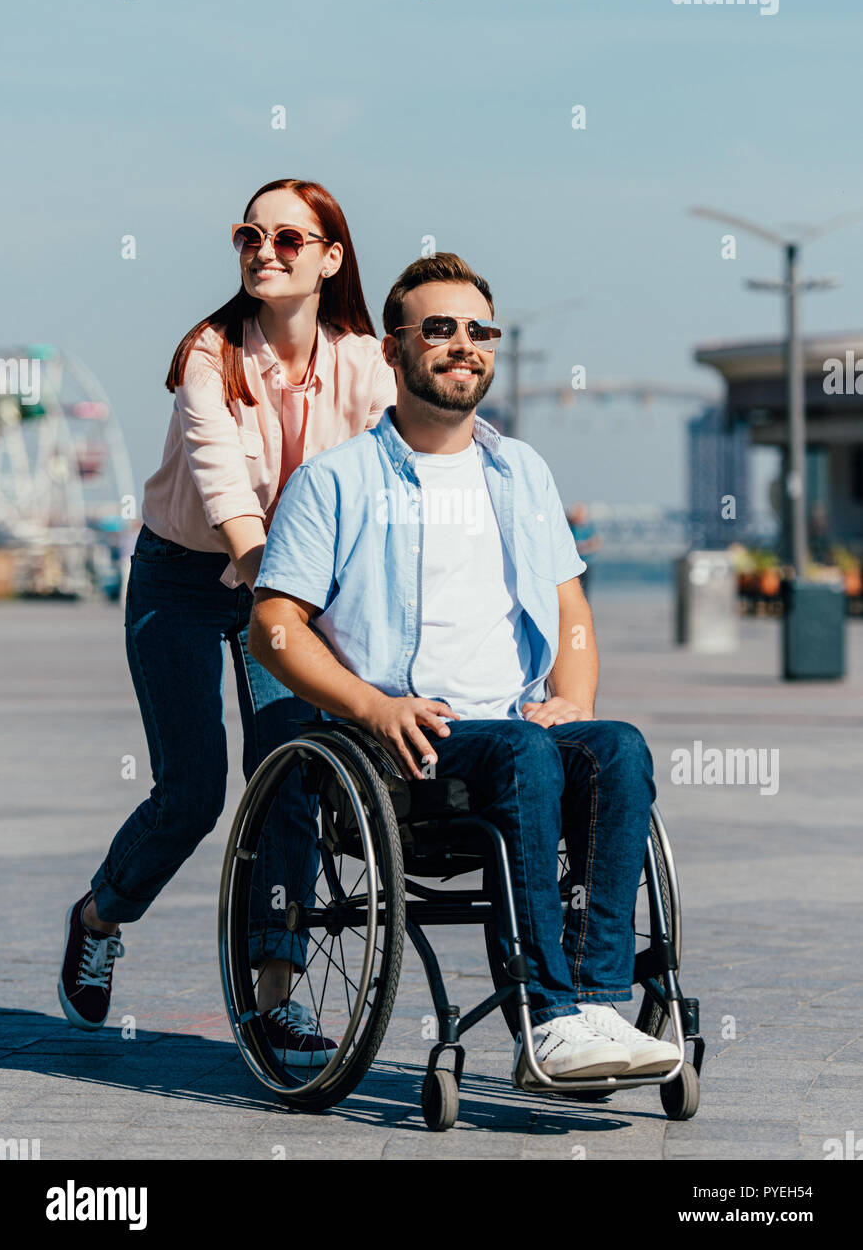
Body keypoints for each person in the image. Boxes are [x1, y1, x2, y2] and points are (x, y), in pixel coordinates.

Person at [247, 252, 680, 1086]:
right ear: (392, 349)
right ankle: (547, 1018)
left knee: (616, 744)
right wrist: (373, 707)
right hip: (397, 750)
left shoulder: (521, 471)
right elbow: (273, 630)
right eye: (437, 328)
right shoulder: (333, 482)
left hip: (513, 732)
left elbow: (570, 609)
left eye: (478, 330)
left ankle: (591, 1004)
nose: (461, 344)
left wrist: (571, 695)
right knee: (522, 756)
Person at [58, 178, 395, 1068]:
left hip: (285, 591)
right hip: (184, 576)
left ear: (329, 258)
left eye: (290, 239)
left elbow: (398, 475)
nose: (265, 251)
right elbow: (222, 486)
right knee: (192, 792)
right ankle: (99, 916)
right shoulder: (210, 354)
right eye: (251, 234)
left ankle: (275, 998)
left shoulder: (363, 365)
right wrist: (263, 576)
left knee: (286, 771)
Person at [566, 502, 602, 599]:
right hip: (572, 565)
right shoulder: (570, 527)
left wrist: (583, 547)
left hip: (587, 563)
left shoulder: (589, 528)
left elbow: (596, 543)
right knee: (573, 591)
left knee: (585, 591)